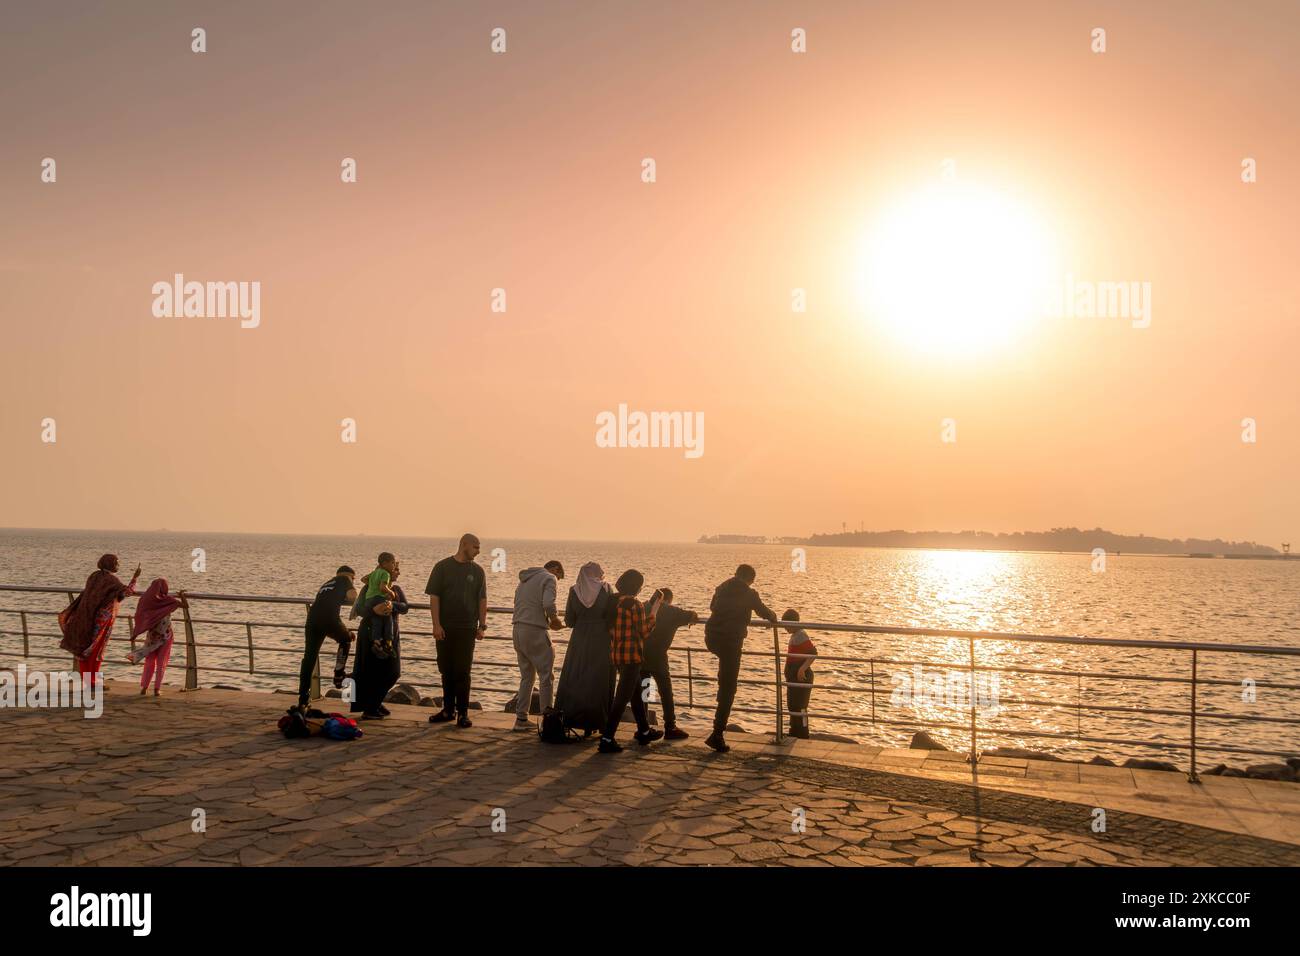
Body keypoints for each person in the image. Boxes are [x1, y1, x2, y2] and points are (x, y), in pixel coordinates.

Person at [703, 563, 777, 753]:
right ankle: (717, 734)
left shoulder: (721, 587)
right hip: (731, 642)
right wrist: (773, 616)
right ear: (750, 579)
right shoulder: (749, 593)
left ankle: (722, 687)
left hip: (711, 638)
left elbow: (712, 607)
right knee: (729, 688)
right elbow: (763, 612)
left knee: (725, 677)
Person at [599, 570, 665, 753]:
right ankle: (607, 738)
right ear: (636, 586)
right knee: (621, 698)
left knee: (636, 693)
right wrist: (655, 611)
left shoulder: (614, 601)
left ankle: (644, 731)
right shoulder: (634, 604)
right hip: (632, 656)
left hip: (618, 655)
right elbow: (644, 631)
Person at [426, 534, 488, 728]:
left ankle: (463, 713)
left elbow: (482, 600)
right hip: (445, 627)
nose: (478, 551)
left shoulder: (478, 571)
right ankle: (447, 710)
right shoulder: (442, 567)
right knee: (446, 670)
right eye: (476, 547)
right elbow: (434, 597)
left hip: (467, 627)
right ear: (464, 545)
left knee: (463, 671)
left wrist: (482, 625)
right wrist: (436, 624)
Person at [59, 554, 141, 690]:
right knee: (97, 650)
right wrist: (135, 577)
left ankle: (87, 681)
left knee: (84, 650)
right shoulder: (112, 580)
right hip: (103, 620)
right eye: (116, 563)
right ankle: (93, 682)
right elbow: (127, 592)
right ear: (111, 564)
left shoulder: (94, 576)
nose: (118, 565)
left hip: (86, 616)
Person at [554, 562, 615, 735]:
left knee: (576, 677)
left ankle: (572, 718)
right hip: (602, 639)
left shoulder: (575, 590)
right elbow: (611, 615)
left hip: (580, 639)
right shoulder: (606, 588)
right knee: (599, 680)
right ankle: (599, 722)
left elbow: (570, 620)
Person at [511, 560, 565, 731]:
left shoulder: (524, 580)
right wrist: (554, 619)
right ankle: (547, 721)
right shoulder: (549, 578)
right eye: (559, 576)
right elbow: (548, 603)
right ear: (555, 569)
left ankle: (521, 718)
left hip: (518, 629)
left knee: (527, 676)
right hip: (535, 630)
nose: (557, 579)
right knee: (546, 677)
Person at [639, 588, 699, 740]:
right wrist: (692, 618)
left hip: (641, 656)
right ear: (669, 600)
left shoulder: (643, 606)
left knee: (645, 690)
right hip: (658, 657)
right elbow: (692, 615)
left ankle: (644, 727)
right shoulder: (673, 612)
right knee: (665, 691)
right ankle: (670, 726)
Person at [352, 561, 409, 719]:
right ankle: (371, 707)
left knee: (392, 672)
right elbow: (360, 608)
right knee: (371, 672)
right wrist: (373, 610)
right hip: (370, 634)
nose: (398, 572)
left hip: (391, 636)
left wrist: (393, 605)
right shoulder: (369, 589)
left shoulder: (396, 590)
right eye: (396, 569)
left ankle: (375, 702)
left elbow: (405, 607)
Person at [297, 566, 358, 709]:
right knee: (347, 639)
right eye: (353, 579)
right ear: (349, 575)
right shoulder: (344, 579)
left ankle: (303, 697)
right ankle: (339, 674)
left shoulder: (327, 583)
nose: (353, 581)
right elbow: (352, 596)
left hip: (312, 619)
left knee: (309, 658)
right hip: (329, 619)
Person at [126, 578, 186, 696]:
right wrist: (182, 595)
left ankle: (144, 688)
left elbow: (139, 615)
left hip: (152, 636)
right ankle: (157, 689)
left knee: (149, 662)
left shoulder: (146, 600)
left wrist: (136, 632)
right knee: (161, 662)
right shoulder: (168, 600)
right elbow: (185, 606)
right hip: (166, 635)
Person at [782, 609, 817, 739]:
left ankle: (803, 732)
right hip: (793, 676)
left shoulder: (801, 634)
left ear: (793, 623)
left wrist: (802, 668)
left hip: (802, 677)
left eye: (786, 624)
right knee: (792, 704)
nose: (784, 627)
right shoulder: (795, 635)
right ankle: (794, 729)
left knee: (800, 705)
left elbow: (813, 653)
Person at [362, 552, 398, 664]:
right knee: (388, 618)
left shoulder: (374, 573)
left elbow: (363, 579)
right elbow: (383, 588)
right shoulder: (385, 574)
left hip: (369, 599)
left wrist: (373, 579)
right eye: (393, 563)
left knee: (376, 620)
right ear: (385, 563)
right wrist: (391, 592)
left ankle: (377, 642)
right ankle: (388, 642)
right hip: (378, 598)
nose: (394, 566)